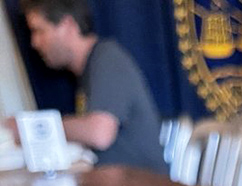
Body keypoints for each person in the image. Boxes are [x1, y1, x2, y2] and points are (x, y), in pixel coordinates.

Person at [18, 0, 168, 174]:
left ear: (67, 25)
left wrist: (31, 128)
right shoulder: (89, 69)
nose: (35, 43)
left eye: (39, 31)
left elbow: (99, 134)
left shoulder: (106, 57)